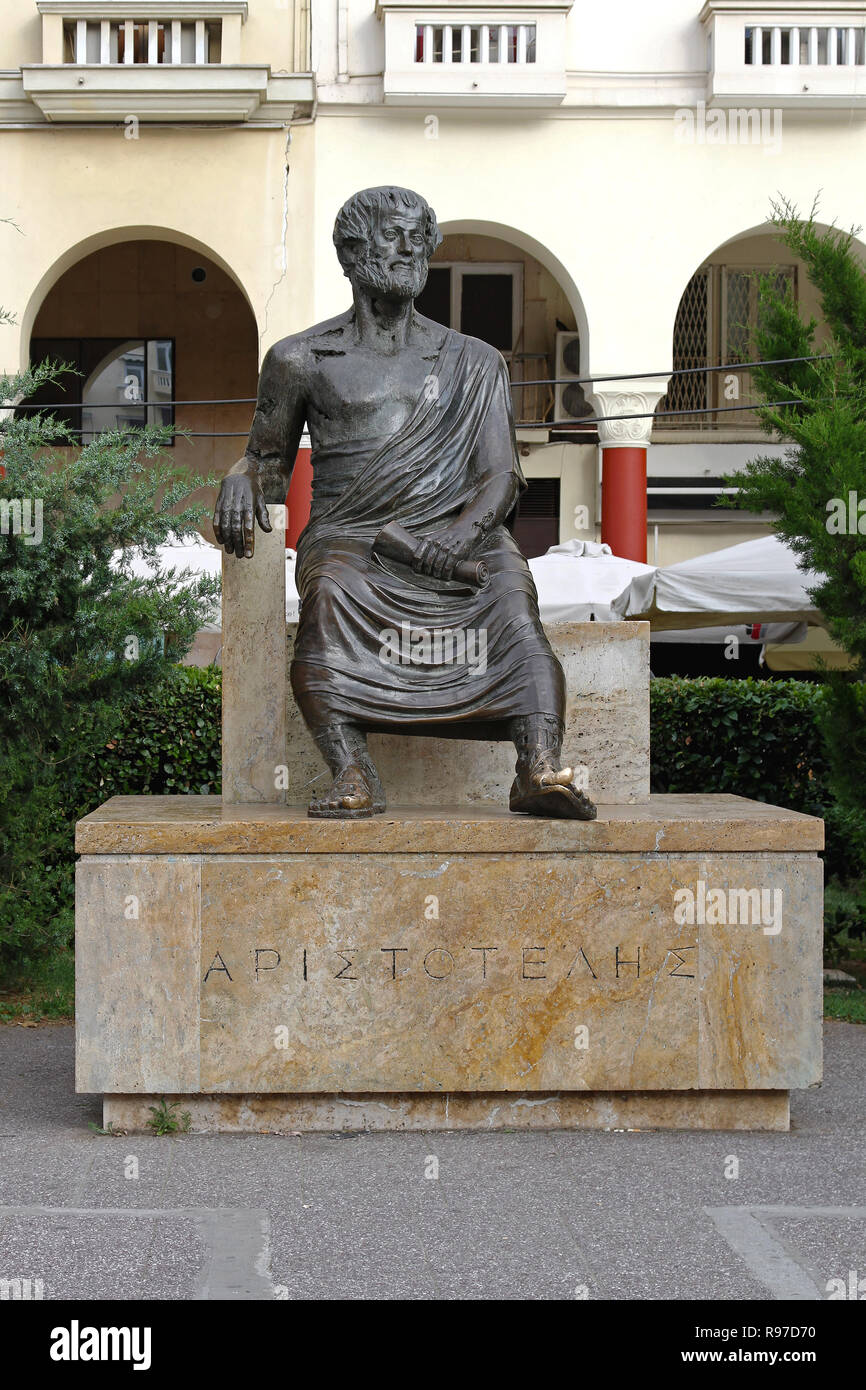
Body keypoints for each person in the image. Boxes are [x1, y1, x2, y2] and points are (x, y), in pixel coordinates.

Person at [213, 186, 596, 821]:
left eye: (420, 234)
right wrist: (240, 472)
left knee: (509, 595)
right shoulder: (299, 358)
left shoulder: (476, 361)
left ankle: (535, 768)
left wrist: (458, 537)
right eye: (394, 233)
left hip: (461, 539)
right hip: (353, 541)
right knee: (330, 592)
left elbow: (502, 477)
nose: (411, 245)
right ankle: (352, 771)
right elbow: (269, 464)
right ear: (353, 251)